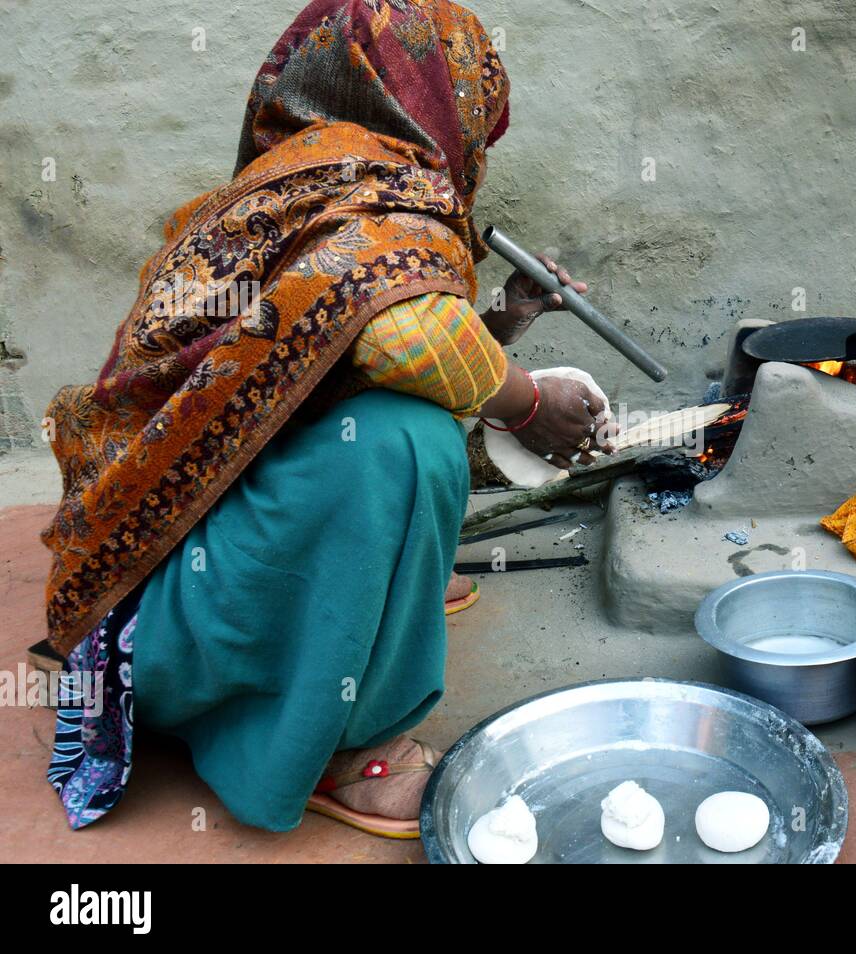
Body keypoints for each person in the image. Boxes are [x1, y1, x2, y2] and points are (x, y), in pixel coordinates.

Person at [42, 0, 614, 838]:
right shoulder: (364, 188)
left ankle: (383, 593)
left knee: (393, 424)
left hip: (170, 569)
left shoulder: (311, 185)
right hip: (161, 628)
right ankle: (351, 746)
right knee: (402, 444)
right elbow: (394, 336)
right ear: (427, 88)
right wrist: (527, 402)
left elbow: (330, 358)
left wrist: (502, 326)